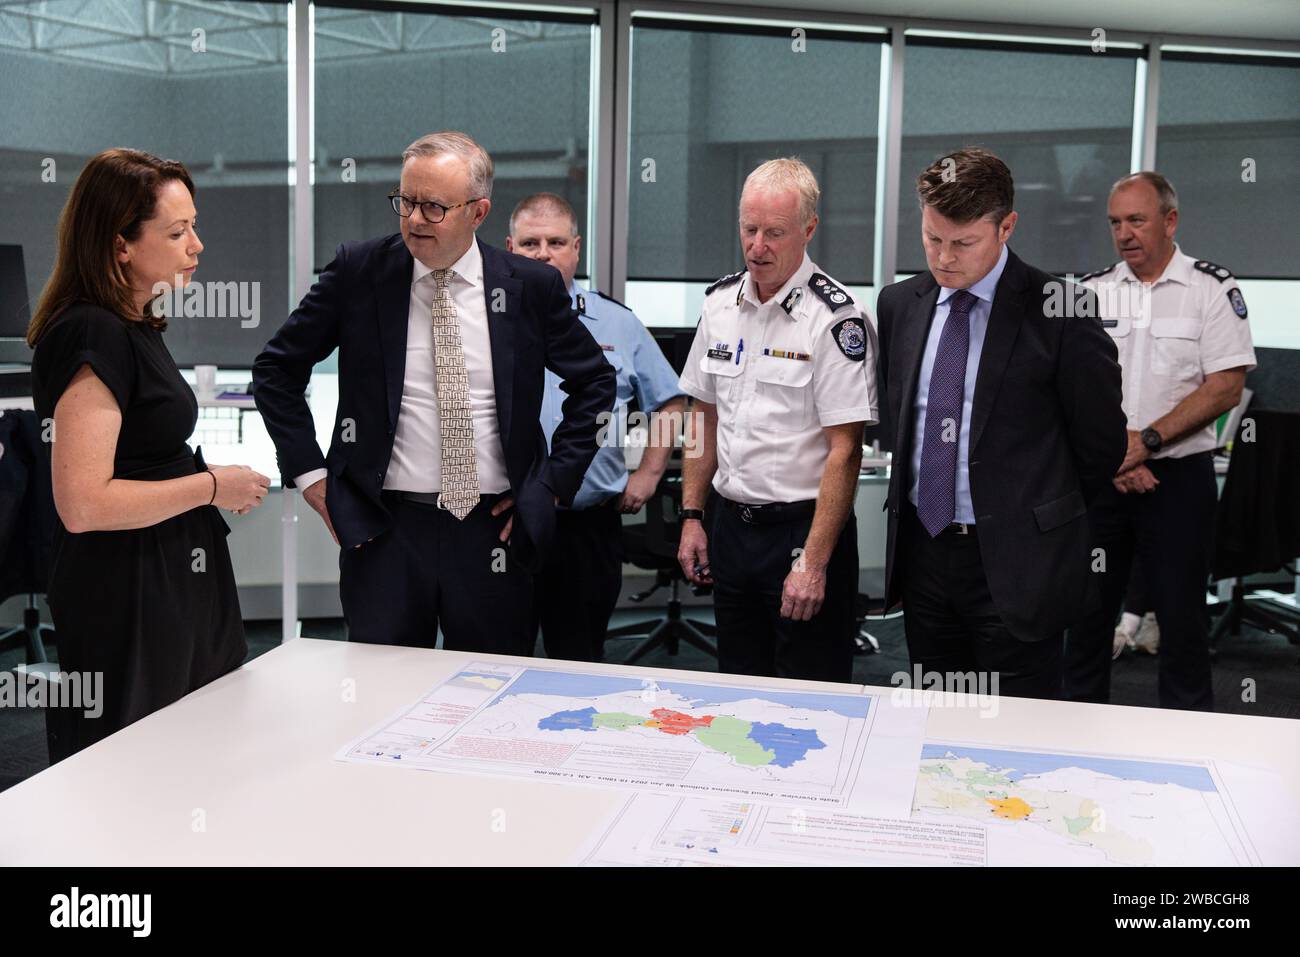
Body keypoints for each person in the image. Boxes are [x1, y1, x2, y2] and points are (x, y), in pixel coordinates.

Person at [252, 132, 615, 654]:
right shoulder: (360, 271)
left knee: (491, 695)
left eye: (434, 207)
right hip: (386, 531)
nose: (415, 219)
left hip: (495, 531)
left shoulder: (529, 286)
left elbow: (596, 382)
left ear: (478, 211)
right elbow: (276, 369)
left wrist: (551, 484)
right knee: (381, 695)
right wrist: (310, 475)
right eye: (406, 202)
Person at [27, 148, 268, 760]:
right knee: (133, 765)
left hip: (170, 570)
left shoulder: (133, 323)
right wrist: (212, 487)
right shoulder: (90, 332)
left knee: (190, 752)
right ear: (120, 246)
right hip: (128, 587)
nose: (197, 246)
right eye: (177, 231)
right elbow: (83, 504)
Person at [875, 147, 1126, 700]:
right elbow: (899, 420)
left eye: (963, 243)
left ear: (1006, 226)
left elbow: (1100, 447)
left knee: (1015, 739)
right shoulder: (899, 304)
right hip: (925, 552)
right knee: (933, 720)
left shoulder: (1062, 310)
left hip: (1017, 563)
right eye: (932, 238)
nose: (943, 258)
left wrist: (1036, 513)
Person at [676, 158, 877, 683]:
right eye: (749, 229)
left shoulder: (836, 319)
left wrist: (812, 563)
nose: (757, 246)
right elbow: (704, 415)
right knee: (736, 684)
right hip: (730, 526)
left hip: (802, 530)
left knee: (810, 692)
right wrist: (693, 515)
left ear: (809, 229)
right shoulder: (720, 304)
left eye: (774, 233)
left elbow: (845, 450)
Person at [1065, 172, 1255, 710]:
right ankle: (1074, 732)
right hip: (1103, 480)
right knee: (1086, 615)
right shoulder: (1091, 291)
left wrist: (1145, 442)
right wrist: (1118, 457)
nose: (1124, 233)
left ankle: (1188, 739)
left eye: (1137, 220)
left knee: (1181, 618)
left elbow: (1225, 387)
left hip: (1178, 483)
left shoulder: (1212, 289)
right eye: (1115, 222)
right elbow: (1068, 388)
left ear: (1169, 221)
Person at [506, 193, 685, 662]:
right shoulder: (489, 319)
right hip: (504, 522)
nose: (543, 253)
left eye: (556, 241)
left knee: (579, 661)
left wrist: (647, 474)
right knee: (497, 659)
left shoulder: (617, 323)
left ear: (577, 248)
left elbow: (670, 401)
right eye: (530, 243)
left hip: (585, 529)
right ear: (509, 248)